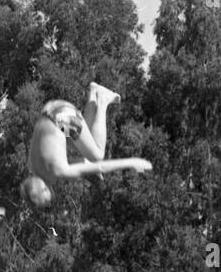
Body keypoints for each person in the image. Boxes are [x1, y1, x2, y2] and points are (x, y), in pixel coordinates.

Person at [21, 83, 151, 208]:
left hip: (62, 119)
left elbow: (100, 166)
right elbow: (74, 162)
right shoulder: (33, 167)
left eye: (45, 202)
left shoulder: (58, 171)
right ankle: (93, 93)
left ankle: (103, 101)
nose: (48, 203)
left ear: (43, 191)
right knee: (86, 142)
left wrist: (132, 162)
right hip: (51, 113)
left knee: (98, 155)